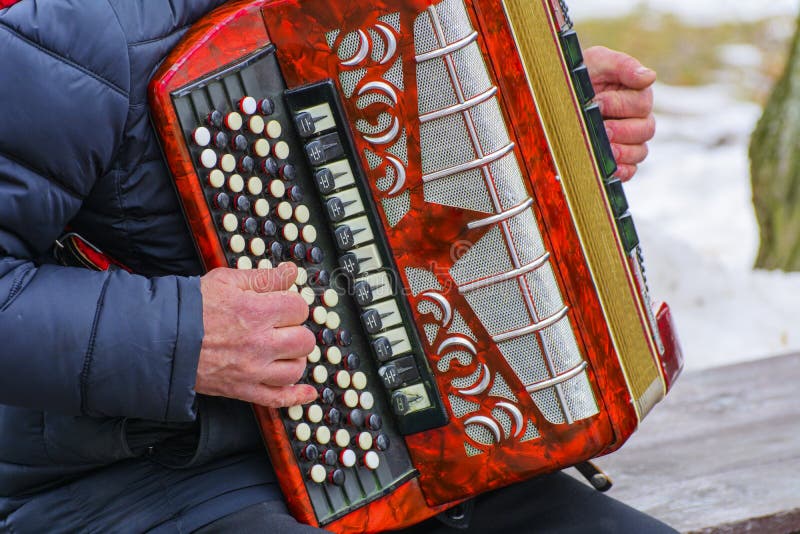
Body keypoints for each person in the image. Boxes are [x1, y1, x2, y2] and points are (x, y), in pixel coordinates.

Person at [0, 0, 664, 532]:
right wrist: (187, 336)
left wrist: (542, 121)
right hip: (149, 477)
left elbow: (414, 209)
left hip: (423, 446)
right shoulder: (72, 34)